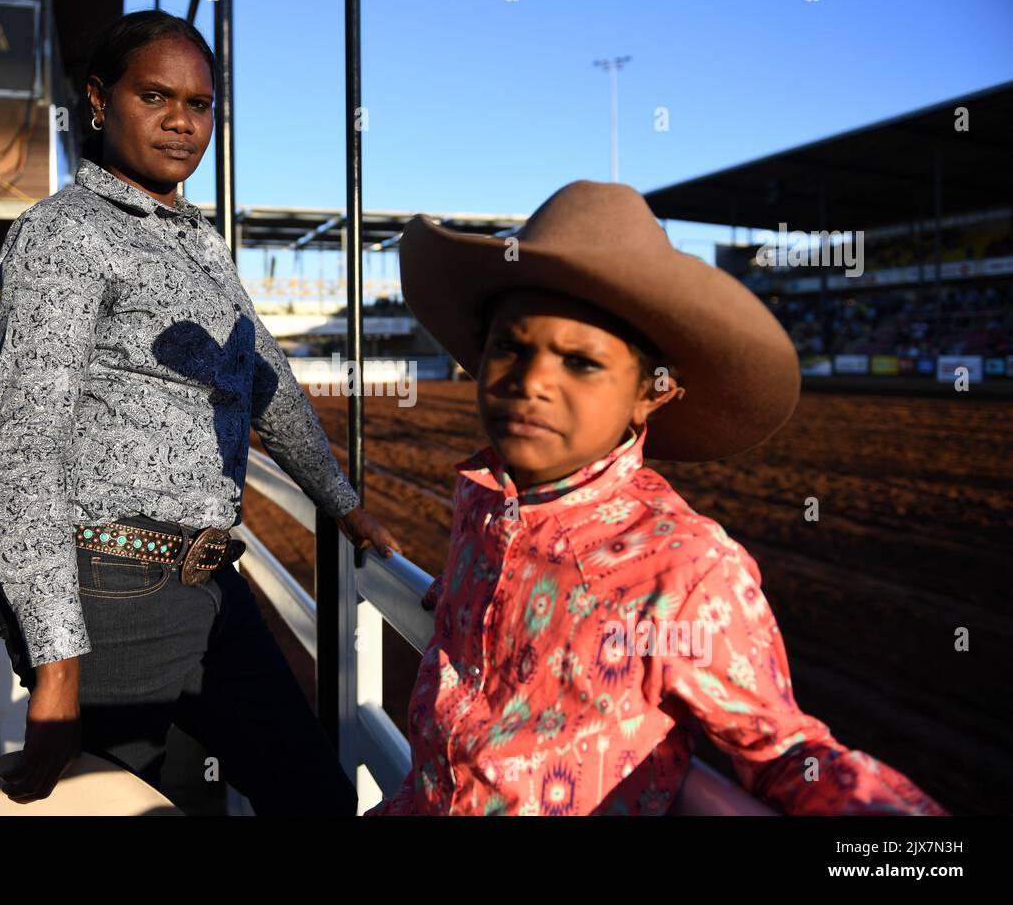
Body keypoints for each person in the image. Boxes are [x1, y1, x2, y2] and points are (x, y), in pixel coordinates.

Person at [365, 181, 946, 815]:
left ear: (651, 394)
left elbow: (780, 748)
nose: (532, 381)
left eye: (580, 363)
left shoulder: (685, 568)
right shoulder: (485, 498)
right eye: (510, 346)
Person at [0, 9, 401, 814]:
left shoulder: (196, 241)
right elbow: (23, 446)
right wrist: (58, 662)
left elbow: (266, 379)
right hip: (108, 596)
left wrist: (341, 503)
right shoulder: (65, 234)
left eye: (201, 104)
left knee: (314, 793)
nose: (182, 120)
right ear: (99, 101)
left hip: (208, 585)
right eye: (156, 96)